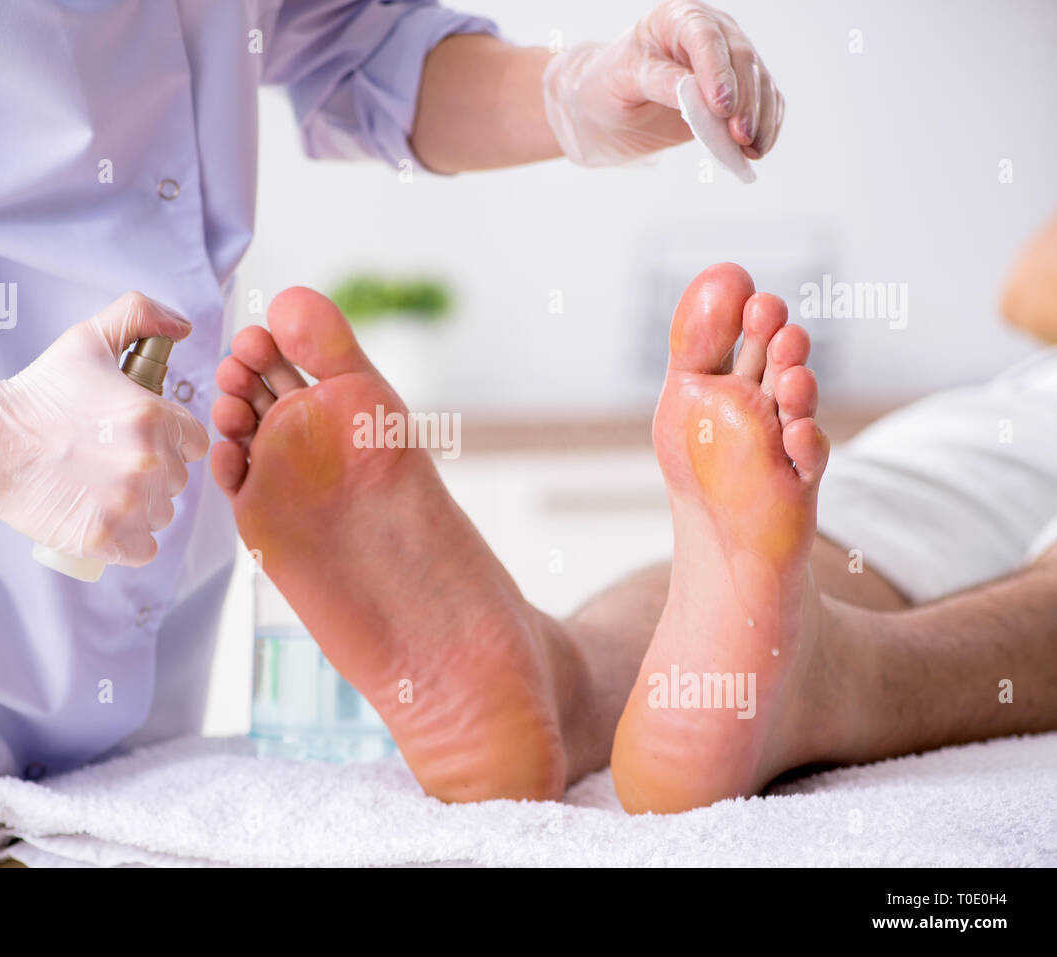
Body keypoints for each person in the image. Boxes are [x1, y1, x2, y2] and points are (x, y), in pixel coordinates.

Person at [0, 2, 784, 863]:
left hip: (135, 556)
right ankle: (647, 676)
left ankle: (592, 679)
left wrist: (575, 94)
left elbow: (352, 42)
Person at [210, 257, 1057, 811]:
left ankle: (828, 677)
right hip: (1025, 400)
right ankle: (565, 682)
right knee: (845, 525)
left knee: (861, 519)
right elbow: (1030, 285)